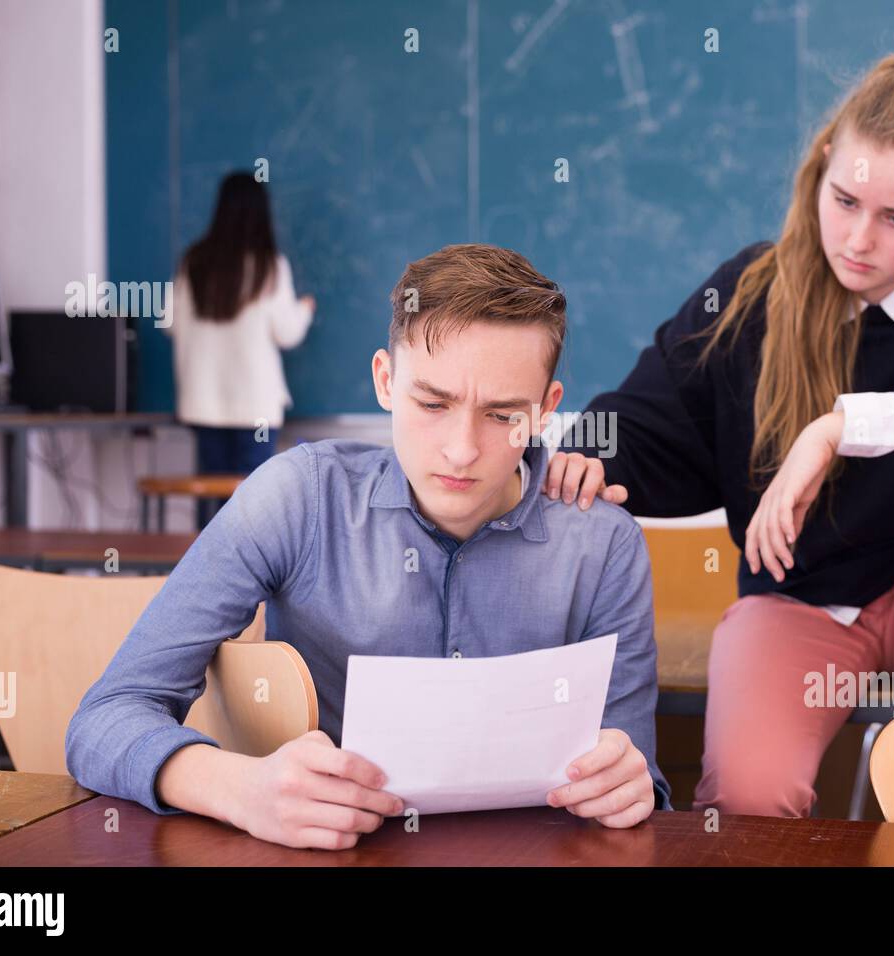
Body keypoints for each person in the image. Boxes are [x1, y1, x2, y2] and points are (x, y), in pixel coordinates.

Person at [547, 50, 894, 818]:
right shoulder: (749, 292)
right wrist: (582, 452)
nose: (859, 239)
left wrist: (841, 426)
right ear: (827, 165)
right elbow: (649, 416)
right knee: (746, 796)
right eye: (846, 201)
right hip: (802, 610)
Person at [67, 243, 670, 849]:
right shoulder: (298, 498)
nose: (461, 450)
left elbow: (639, 777)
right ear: (385, 380)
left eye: (501, 415)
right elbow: (106, 717)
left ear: (544, 411)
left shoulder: (604, 545)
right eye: (432, 404)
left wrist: (628, 785)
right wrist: (240, 787)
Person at [162, 172, 315, 528]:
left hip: (203, 404)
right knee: (255, 507)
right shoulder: (269, 266)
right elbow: (286, 332)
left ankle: (206, 580)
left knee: (211, 509)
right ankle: (255, 583)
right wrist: (304, 309)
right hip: (255, 407)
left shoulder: (194, 262)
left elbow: (169, 322)